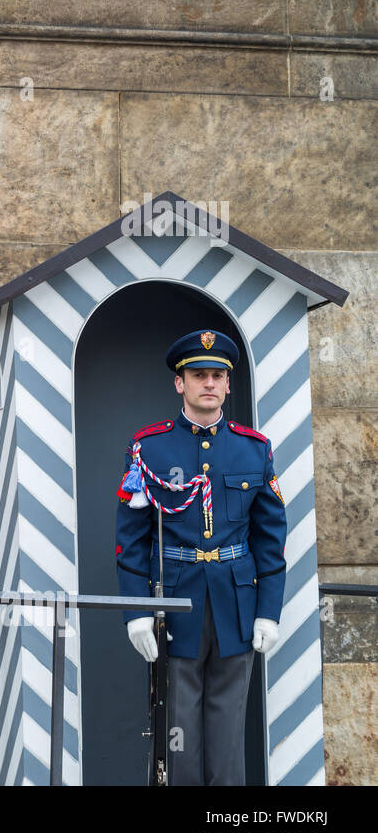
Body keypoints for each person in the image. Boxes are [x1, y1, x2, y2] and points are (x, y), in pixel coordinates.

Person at [116, 330, 287, 786]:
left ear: (229, 385)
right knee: (178, 730)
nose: (208, 383)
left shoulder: (255, 447)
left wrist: (269, 611)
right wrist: (135, 611)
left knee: (229, 728)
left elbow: (270, 539)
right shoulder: (149, 448)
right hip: (174, 602)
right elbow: (131, 538)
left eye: (217, 375)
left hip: (236, 601)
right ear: (180, 383)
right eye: (198, 375)